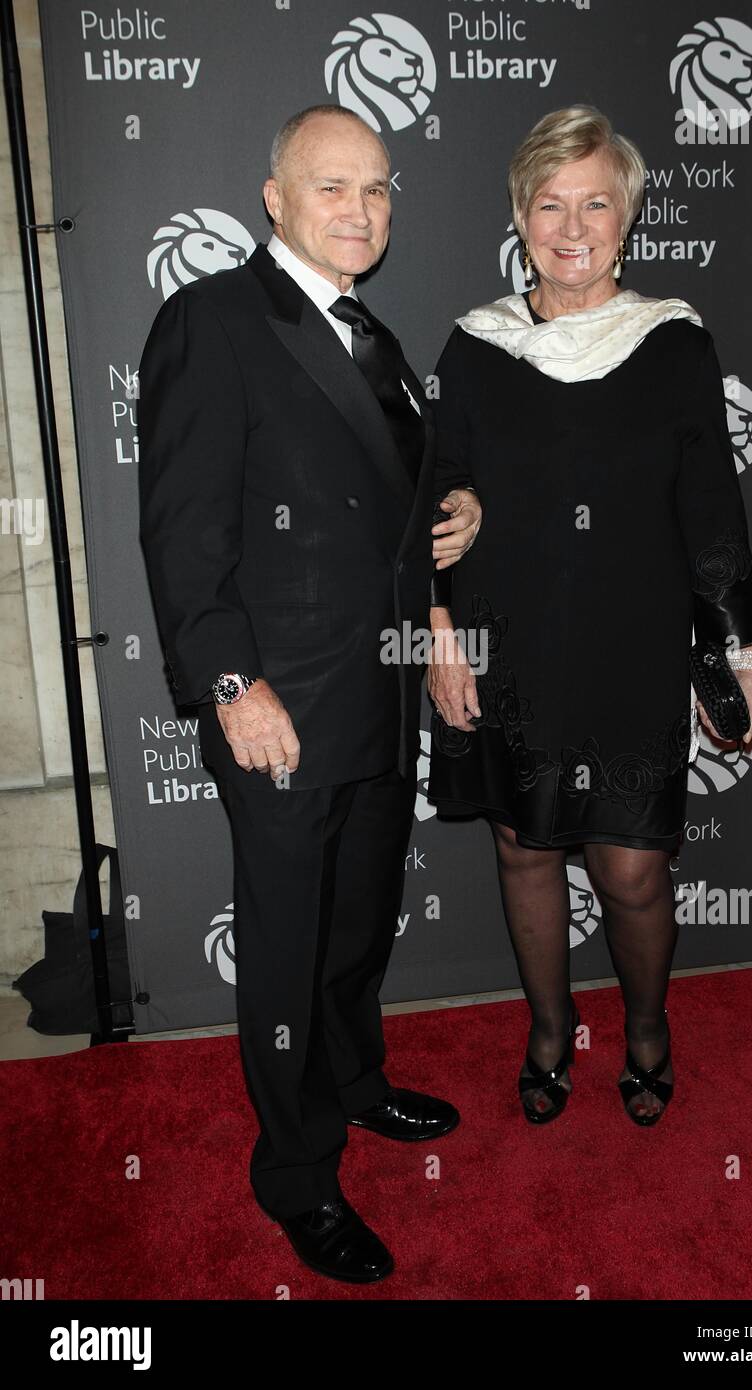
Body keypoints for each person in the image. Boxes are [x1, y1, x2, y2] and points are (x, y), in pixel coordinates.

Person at [138, 105, 481, 1283]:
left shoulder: (373, 336)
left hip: (379, 700)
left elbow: (398, 510)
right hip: (277, 706)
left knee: (355, 923)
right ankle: (295, 1171)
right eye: (332, 186)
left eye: (378, 188)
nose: (361, 210)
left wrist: (458, 533)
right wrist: (234, 685)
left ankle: (355, 1081)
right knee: (284, 948)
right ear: (273, 196)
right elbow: (185, 539)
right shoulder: (214, 322)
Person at [427, 105, 752, 1130]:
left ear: (627, 217)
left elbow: (710, 511)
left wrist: (737, 644)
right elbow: (436, 493)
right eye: (548, 203)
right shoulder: (474, 345)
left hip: (628, 649)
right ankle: (545, 1031)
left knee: (630, 870)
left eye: (595, 202)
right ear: (519, 216)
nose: (571, 225)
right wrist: (440, 626)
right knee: (524, 853)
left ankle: (648, 1031)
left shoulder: (671, 342)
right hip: (512, 643)